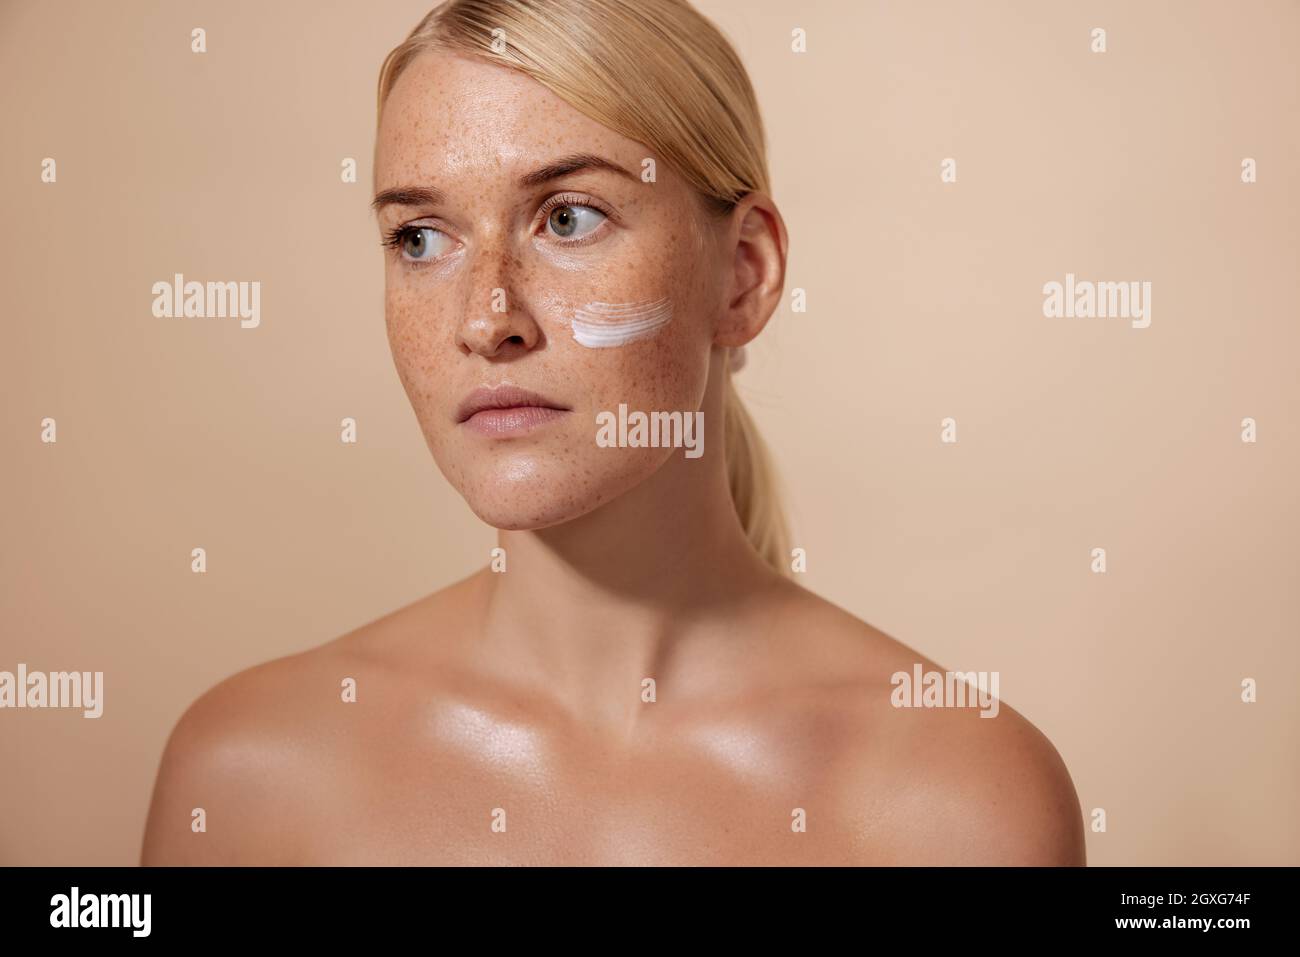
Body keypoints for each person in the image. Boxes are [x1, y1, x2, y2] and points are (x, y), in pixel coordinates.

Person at [141, 0, 1084, 866]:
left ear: (744, 274)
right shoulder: (247, 776)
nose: (486, 318)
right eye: (420, 238)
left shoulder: (961, 802)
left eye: (568, 217)